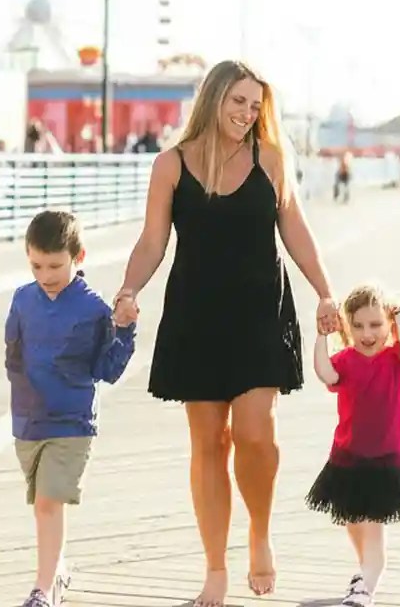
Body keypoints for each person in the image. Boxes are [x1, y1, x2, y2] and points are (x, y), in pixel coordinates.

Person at [115, 59, 341, 607]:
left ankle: (259, 532)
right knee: (208, 444)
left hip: (261, 309)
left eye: (254, 104)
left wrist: (326, 292)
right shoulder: (171, 165)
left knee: (256, 432)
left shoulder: (272, 160)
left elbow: (296, 229)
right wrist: (128, 291)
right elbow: (152, 241)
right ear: (213, 99)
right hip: (196, 314)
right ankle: (215, 569)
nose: (246, 113)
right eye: (237, 101)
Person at [4, 210, 138, 607]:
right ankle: (57, 570)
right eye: (36, 265)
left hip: (73, 421)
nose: (45, 275)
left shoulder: (93, 309)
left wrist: (126, 330)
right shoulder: (23, 299)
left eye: (55, 266)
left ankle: (42, 590)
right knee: (42, 503)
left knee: (49, 501)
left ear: (78, 258)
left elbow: (106, 369)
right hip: (28, 419)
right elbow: (13, 352)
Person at [306, 284, 400, 607]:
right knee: (353, 519)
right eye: (357, 326)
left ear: (389, 325)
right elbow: (325, 373)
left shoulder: (397, 360)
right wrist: (321, 337)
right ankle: (364, 572)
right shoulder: (345, 360)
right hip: (346, 456)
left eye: (375, 325)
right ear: (347, 327)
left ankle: (366, 588)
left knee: (372, 526)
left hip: (385, 459)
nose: (366, 333)